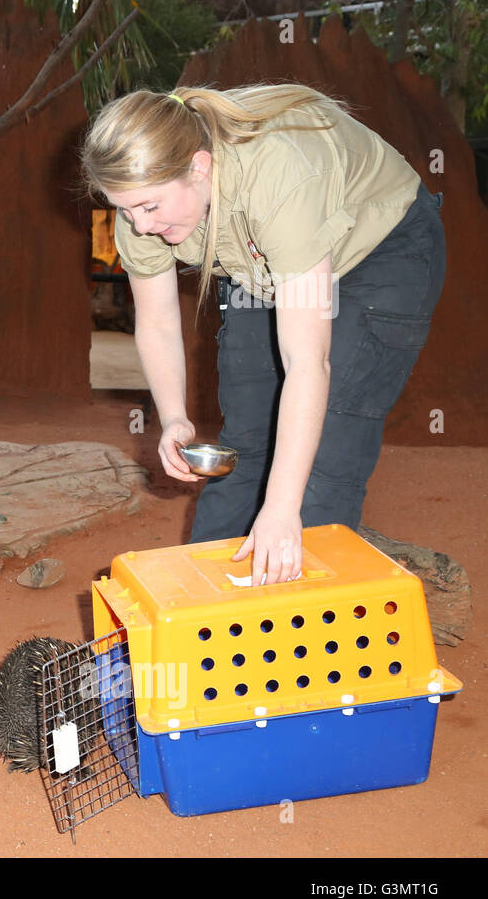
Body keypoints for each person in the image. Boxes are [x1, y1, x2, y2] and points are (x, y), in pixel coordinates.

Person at [81, 84, 445, 585]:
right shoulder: (139, 213)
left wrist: (280, 508)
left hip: (382, 252)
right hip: (265, 263)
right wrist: (173, 419)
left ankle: (307, 644)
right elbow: (159, 322)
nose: (139, 227)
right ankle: (205, 626)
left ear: (200, 167)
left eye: (149, 207)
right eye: (124, 210)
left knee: (323, 457)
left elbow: (306, 363)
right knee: (248, 443)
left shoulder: (280, 177)